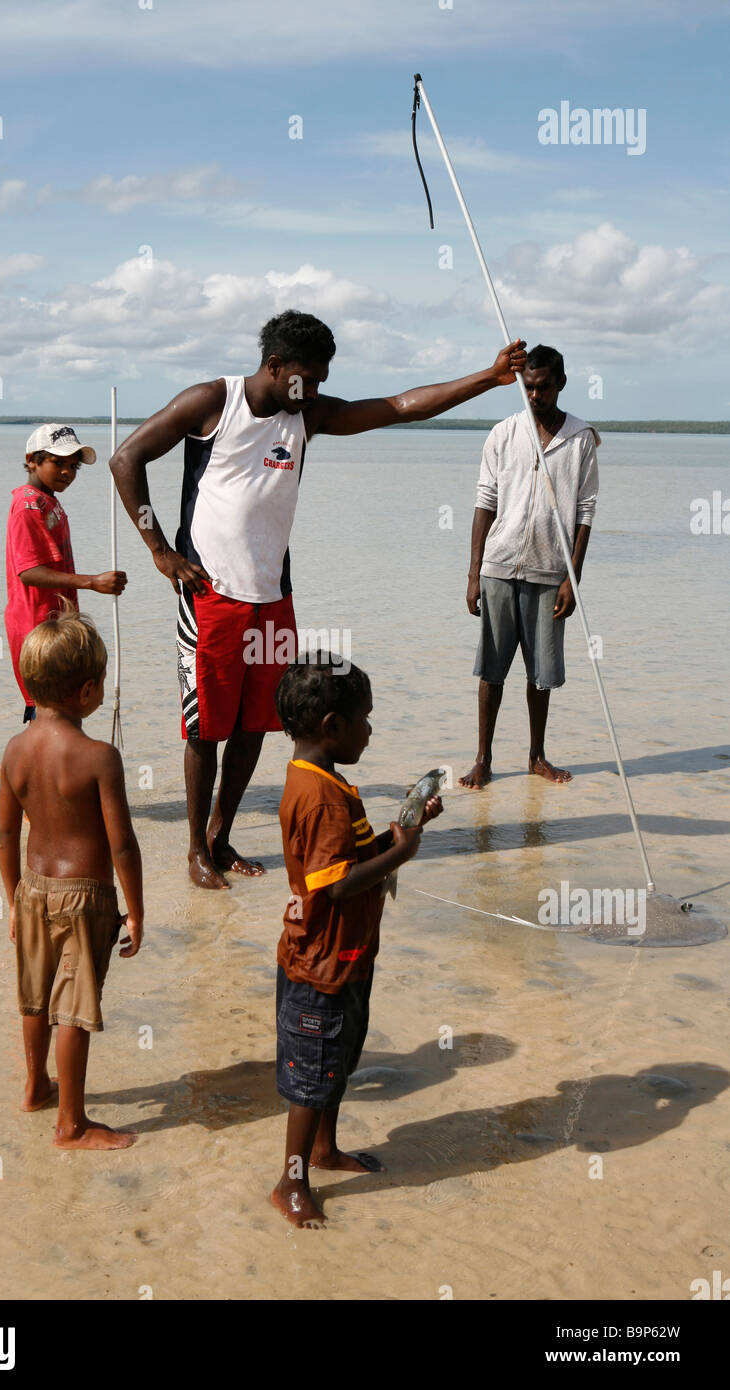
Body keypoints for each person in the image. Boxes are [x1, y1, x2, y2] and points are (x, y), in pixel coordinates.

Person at [110, 310, 524, 888]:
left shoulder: (306, 415)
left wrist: (488, 377)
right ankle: (193, 851)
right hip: (209, 597)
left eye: (324, 380)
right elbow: (126, 459)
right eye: (309, 378)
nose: (318, 391)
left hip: (273, 598)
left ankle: (220, 837)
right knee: (206, 731)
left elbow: (402, 406)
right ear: (275, 367)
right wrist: (158, 549)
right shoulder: (211, 402)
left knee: (256, 726)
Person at [270, 655, 442, 1227]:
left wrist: (401, 831)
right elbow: (339, 884)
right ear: (332, 727)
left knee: (336, 1063)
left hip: (346, 956)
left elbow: (349, 858)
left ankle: (324, 1149)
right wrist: (403, 853)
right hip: (320, 964)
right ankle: (291, 1181)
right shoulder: (321, 798)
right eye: (366, 719)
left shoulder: (325, 780)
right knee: (310, 1075)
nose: (371, 730)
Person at [0, 611, 143, 1150]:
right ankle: (72, 1124)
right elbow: (123, 844)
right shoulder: (100, 758)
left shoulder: (15, 750)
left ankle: (36, 1087)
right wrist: (137, 908)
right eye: (101, 681)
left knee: (34, 996)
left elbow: (6, 835)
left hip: (32, 888)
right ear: (87, 691)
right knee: (74, 1010)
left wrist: (12, 898)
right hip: (86, 898)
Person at [459, 345, 600, 789]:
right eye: (527, 387)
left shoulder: (581, 438)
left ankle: (537, 756)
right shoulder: (503, 432)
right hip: (499, 566)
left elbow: (586, 512)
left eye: (542, 387)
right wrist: (472, 573)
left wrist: (571, 578)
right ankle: (483, 758)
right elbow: (485, 502)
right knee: (491, 672)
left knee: (540, 675)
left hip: (549, 570)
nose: (534, 395)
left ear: (560, 383)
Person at [4, 423, 127, 722]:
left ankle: (51, 766)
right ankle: (32, 766)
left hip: (55, 622)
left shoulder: (47, 501)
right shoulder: (28, 505)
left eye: (73, 466)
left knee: (63, 706)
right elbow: (29, 571)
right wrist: (92, 582)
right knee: (48, 709)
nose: (67, 473)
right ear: (32, 459)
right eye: (57, 462)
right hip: (37, 625)